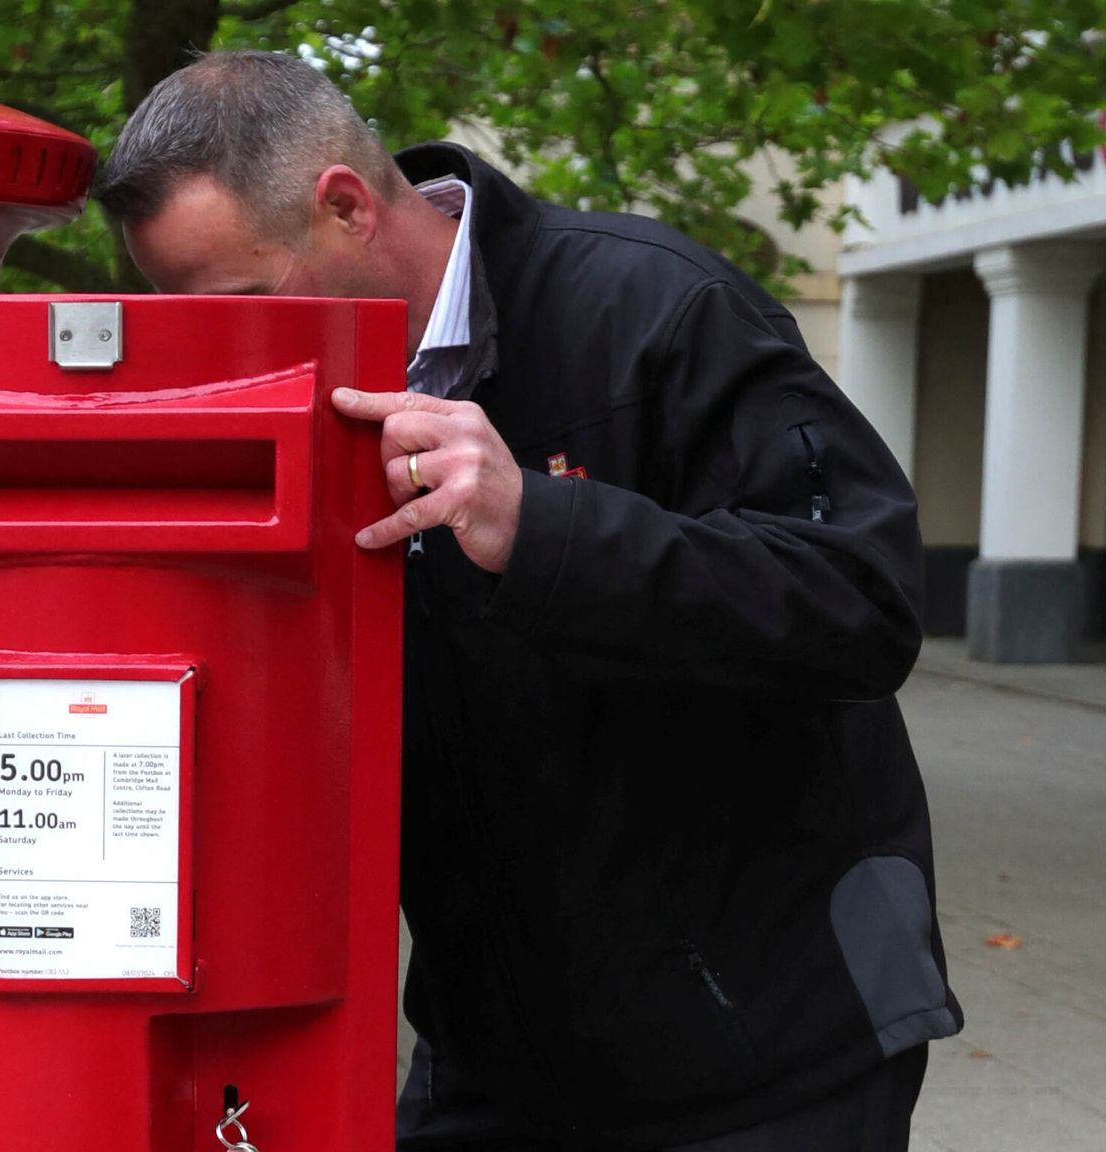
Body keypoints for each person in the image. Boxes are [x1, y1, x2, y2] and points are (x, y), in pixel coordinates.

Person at [95, 52, 961, 1151]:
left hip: (767, 1055)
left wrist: (543, 528)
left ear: (346, 207)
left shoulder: (653, 303)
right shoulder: (290, 396)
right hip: (494, 1059)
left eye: (242, 304)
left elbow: (863, 597)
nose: (225, 351)